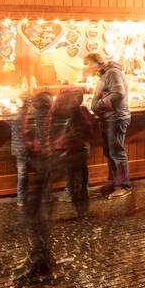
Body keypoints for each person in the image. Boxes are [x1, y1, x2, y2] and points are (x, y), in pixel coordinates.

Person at [16, 92, 55, 285]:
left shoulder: (37, 120)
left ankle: (39, 265)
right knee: (39, 216)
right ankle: (41, 261)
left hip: (41, 164)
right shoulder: (48, 117)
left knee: (36, 218)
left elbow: (33, 140)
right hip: (45, 163)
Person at [87, 51, 132, 199]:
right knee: (109, 152)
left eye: (88, 65)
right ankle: (114, 182)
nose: (87, 68)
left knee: (116, 152)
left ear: (95, 63)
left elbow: (118, 93)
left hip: (116, 117)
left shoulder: (112, 72)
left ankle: (124, 186)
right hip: (108, 117)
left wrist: (99, 104)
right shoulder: (105, 73)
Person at [50, 87, 95, 217]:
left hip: (71, 149)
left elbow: (54, 131)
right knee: (82, 171)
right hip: (82, 147)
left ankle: (71, 193)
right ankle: (83, 201)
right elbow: (88, 129)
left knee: (71, 170)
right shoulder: (82, 112)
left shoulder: (60, 114)